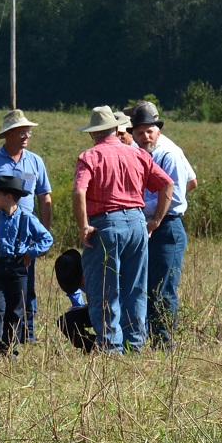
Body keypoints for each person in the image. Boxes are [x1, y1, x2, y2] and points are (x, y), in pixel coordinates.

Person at [73, 106, 174, 353]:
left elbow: (79, 191)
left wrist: (84, 225)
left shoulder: (90, 156)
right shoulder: (137, 154)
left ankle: (110, 346)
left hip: (106, 224)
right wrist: (157, 220)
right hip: (137, 223)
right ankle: (135, 344)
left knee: (103, 288)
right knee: (135, 287)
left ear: (93, 134)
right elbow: (167, 184)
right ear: (117, 129)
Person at [0, 109, 52, 342]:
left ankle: (26, 334)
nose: (26, 135)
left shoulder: (35, 161)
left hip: (25, 236)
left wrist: (43, 234)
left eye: (28, 131)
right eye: (21, 131)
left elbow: (45, 198)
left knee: (26, 288)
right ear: (8, 134)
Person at [126, 101, 198, 349]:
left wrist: (150, 210)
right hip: (148, 226)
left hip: (166, 227)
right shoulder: (138, 151)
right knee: (146, 286)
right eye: (139, 132)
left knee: (163, 289)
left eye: (149, 131)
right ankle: (148, 339)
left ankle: (164, 344)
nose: (145, 136)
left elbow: (177, 195)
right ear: (132, 133)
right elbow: (193, 181)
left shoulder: (168, 153)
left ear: (158, 130)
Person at [0, 175, 54, 360]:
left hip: (18, 268)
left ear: (8, 197)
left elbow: (47, 238)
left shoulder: (27, 218)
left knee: (16, 311)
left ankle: (10, 350)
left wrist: (31, 253)